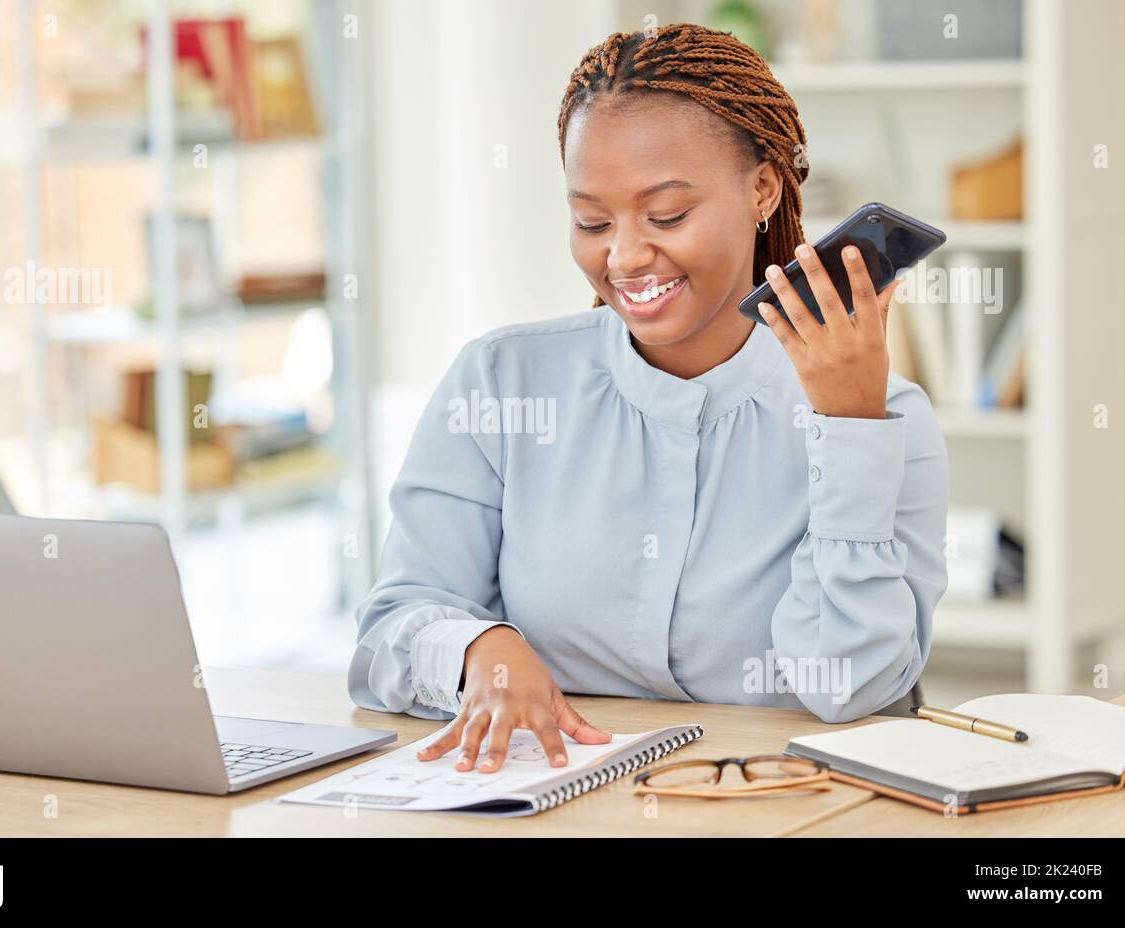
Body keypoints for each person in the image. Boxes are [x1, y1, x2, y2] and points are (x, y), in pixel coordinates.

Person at [347, 23, 949, 774]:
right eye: (591, 221)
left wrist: (847, 428)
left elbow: (851, 687)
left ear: (763, 188)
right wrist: (478, 649)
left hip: (780, 811)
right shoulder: (501, 383)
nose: (624, 257)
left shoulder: (888, 420)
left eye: (666, 216)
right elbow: (385, 635)